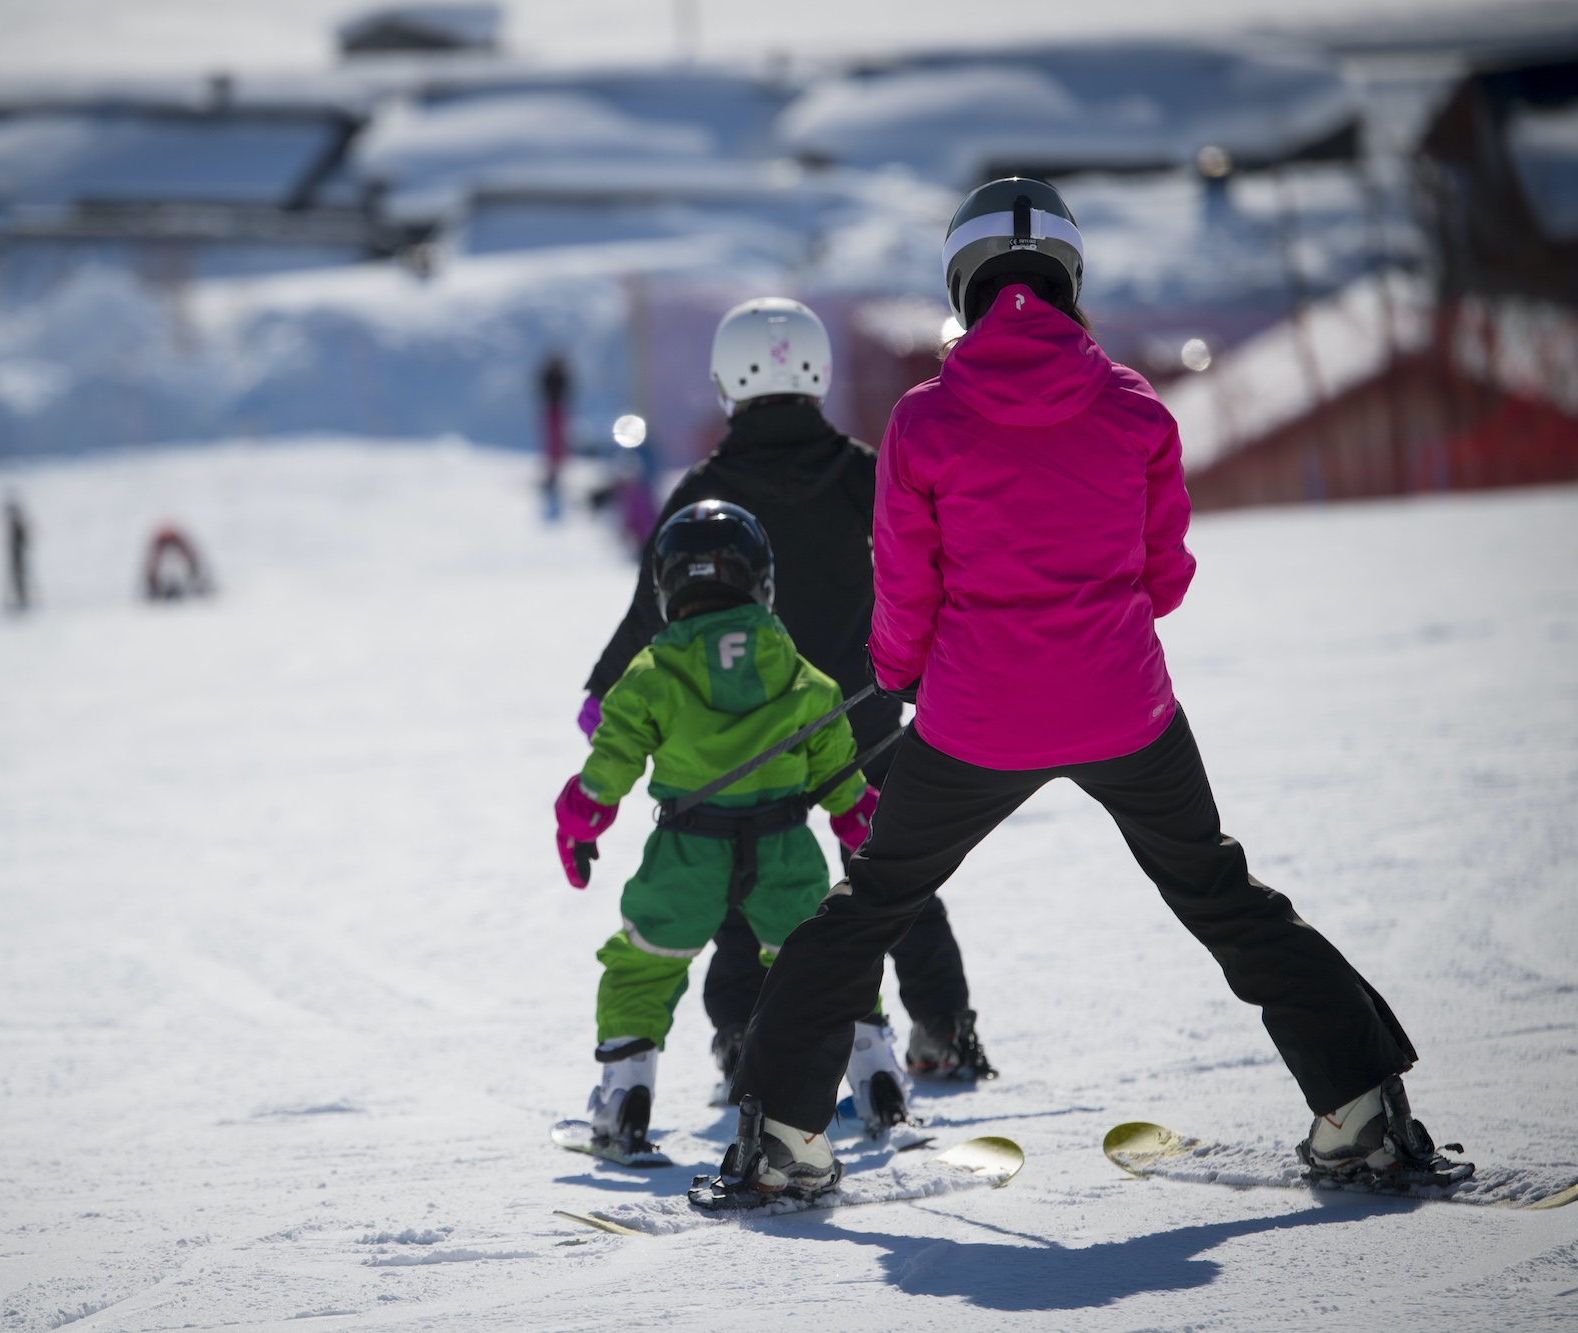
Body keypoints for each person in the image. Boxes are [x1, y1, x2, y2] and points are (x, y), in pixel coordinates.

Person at [710, 178, 1458, 1204]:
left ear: (965, 288)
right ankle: (1362, 1111)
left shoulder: (924, 421)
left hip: (973, 719)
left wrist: (900, 674)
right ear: (1066, 280)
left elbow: (903, 590)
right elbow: (1167, 578)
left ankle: (783, 1137)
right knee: (1218, 890)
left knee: (873, 902)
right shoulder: (1131, 406)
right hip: (1123, 710)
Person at [582, 298, 995, 1100]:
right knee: (890, 875)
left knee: (742, 879)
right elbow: (933, 564)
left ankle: (746, 1039)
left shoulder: (704, 489)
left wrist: (605, 691)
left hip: (747, 734)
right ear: (818, 374)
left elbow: (650, 608)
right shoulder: (862, 471)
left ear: (727, 381)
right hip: (861, 714)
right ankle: (941, 1028)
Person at [555, 501, 914, 1159]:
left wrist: (583, 813)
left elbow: (615, 750)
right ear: (760, 578)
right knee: (827, 962)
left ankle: (624, 1100)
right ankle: (879, 1082)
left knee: (643, 964)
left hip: (687, 851)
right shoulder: (794, 666)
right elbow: (834, 754)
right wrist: (856, 813)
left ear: (668, 585)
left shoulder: (653, 669)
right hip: (785, 848)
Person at [539, 353, 571, 521]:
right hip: (552, 411)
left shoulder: (559, 379)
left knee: (558, 446)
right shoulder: (550, 379)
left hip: (558, 411)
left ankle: (556, 474)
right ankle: (552, 475)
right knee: (552, 446)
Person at [4, 494, 31, 612]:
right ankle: (18, 598)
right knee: (15, 578)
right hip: (14, 555)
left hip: (18, 556)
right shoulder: (13, 524)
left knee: (20, 578)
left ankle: (22, 598)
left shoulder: (19, 524)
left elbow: (25, 541)